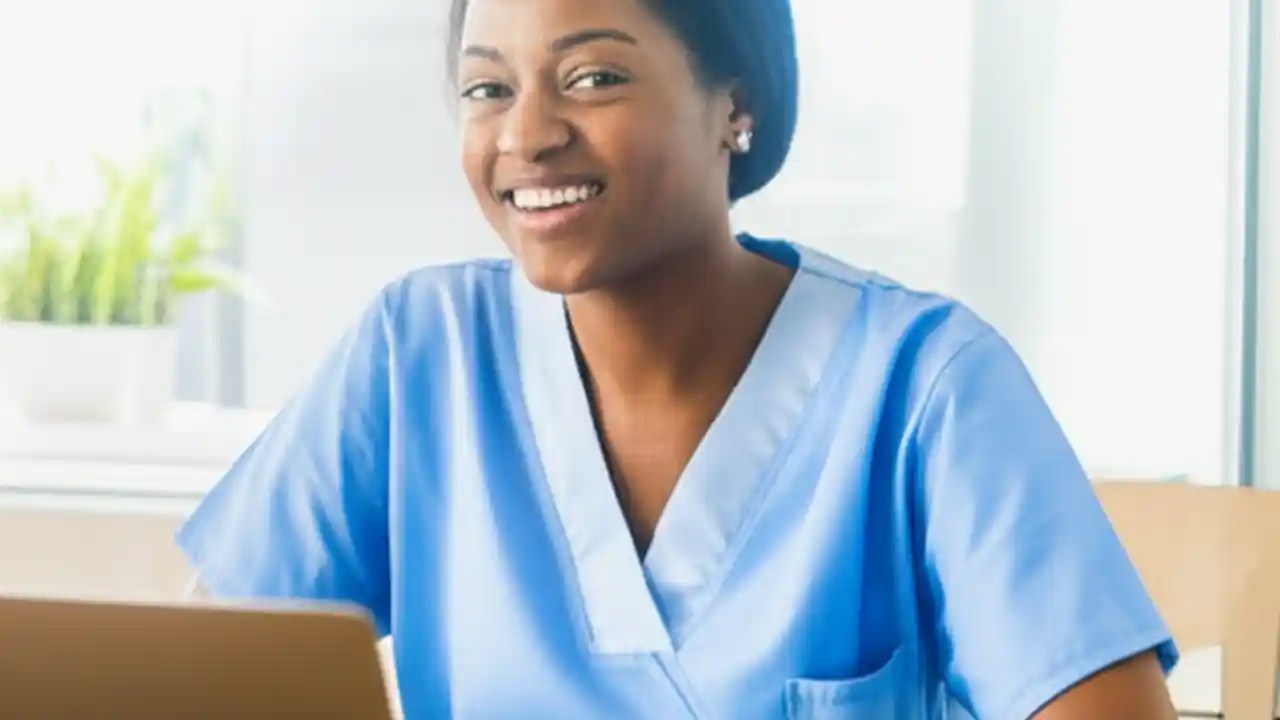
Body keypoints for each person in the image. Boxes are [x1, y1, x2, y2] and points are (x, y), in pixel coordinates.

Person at [177, 0, 1181, 717]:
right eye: (487, 88)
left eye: (593, 77)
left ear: (732, 103)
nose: (526, 134)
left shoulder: (926, 385)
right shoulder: (415, 354)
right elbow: (194, 679)